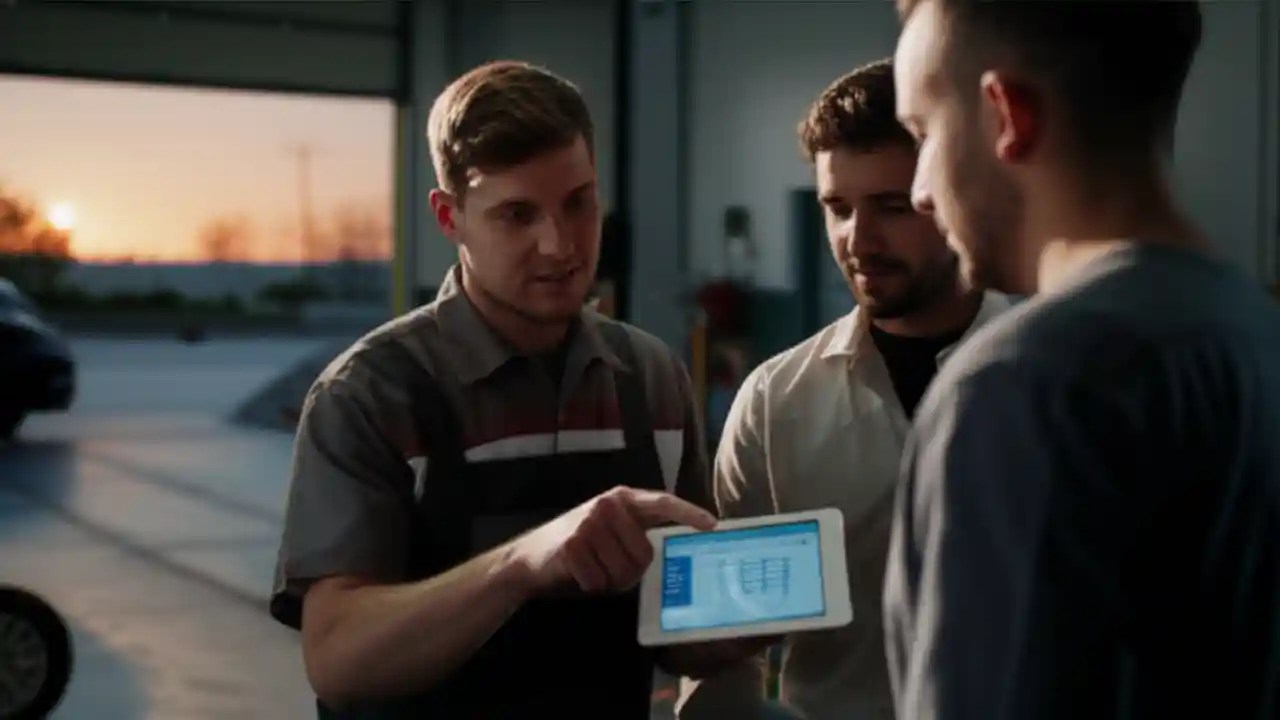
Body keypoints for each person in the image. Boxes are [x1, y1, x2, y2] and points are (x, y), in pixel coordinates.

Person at [269, 60, 723, 719]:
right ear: (449, 216)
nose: (559, 246)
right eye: (517, 214)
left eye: (578, 203)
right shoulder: (371, 395)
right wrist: (521, 566)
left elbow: (685, 635)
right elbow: (339, 660)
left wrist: (755, 616)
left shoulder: (652, 378)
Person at [885, 1, 1280, 718]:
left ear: (1007, 116)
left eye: (923, 133)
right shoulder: (1254, 334)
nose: (919, 192)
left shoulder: (1026, 385)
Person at [678, 59, 1011, 720]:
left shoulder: (1051, 379)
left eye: (891, 207)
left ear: (957, 193)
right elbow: (725, 645)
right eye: (837, 208)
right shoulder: (776, 403)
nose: (858, 239)